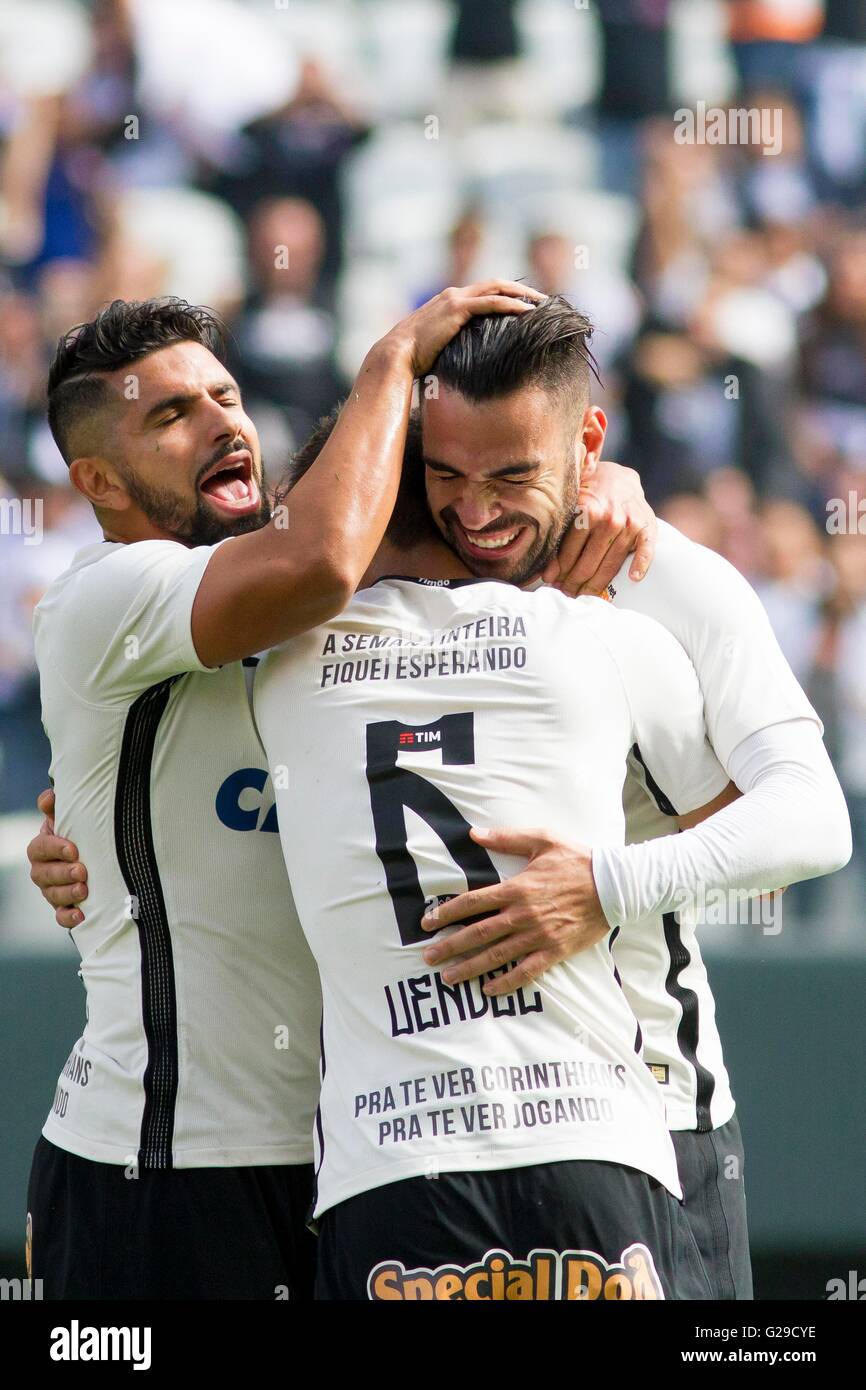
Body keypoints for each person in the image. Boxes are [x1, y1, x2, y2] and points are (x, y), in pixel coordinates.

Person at [23, 280, 541, 1299]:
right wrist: (390, 360)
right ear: (100, 480)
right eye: (171, 416)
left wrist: (606, 483)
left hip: (354, 1156)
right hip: (163, 1166)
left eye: (224, 398)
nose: (222, 424)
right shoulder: (107, 595)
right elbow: (315, 558)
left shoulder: (311, 623)